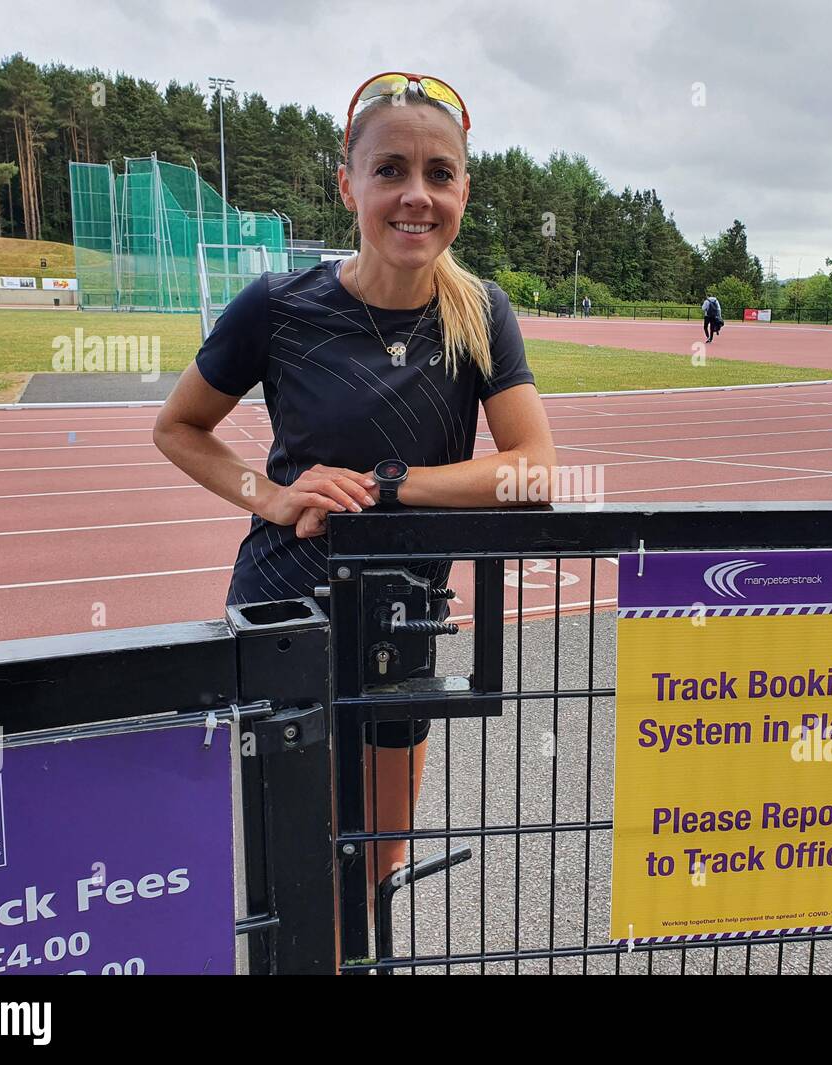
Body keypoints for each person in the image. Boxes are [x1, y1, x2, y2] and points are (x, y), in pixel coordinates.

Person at [153, 70, 556, 945]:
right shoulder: (277, 306)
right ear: (348, 184)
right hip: (285, 617)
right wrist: (273, 494)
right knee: (293, 865)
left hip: (402, 621)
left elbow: (533, 472)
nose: (417, 195)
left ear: (463, 190)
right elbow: (179, 428)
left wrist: (387, 485)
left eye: (440, 174)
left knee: (371, 865)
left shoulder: (481, 314)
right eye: (391, 171)